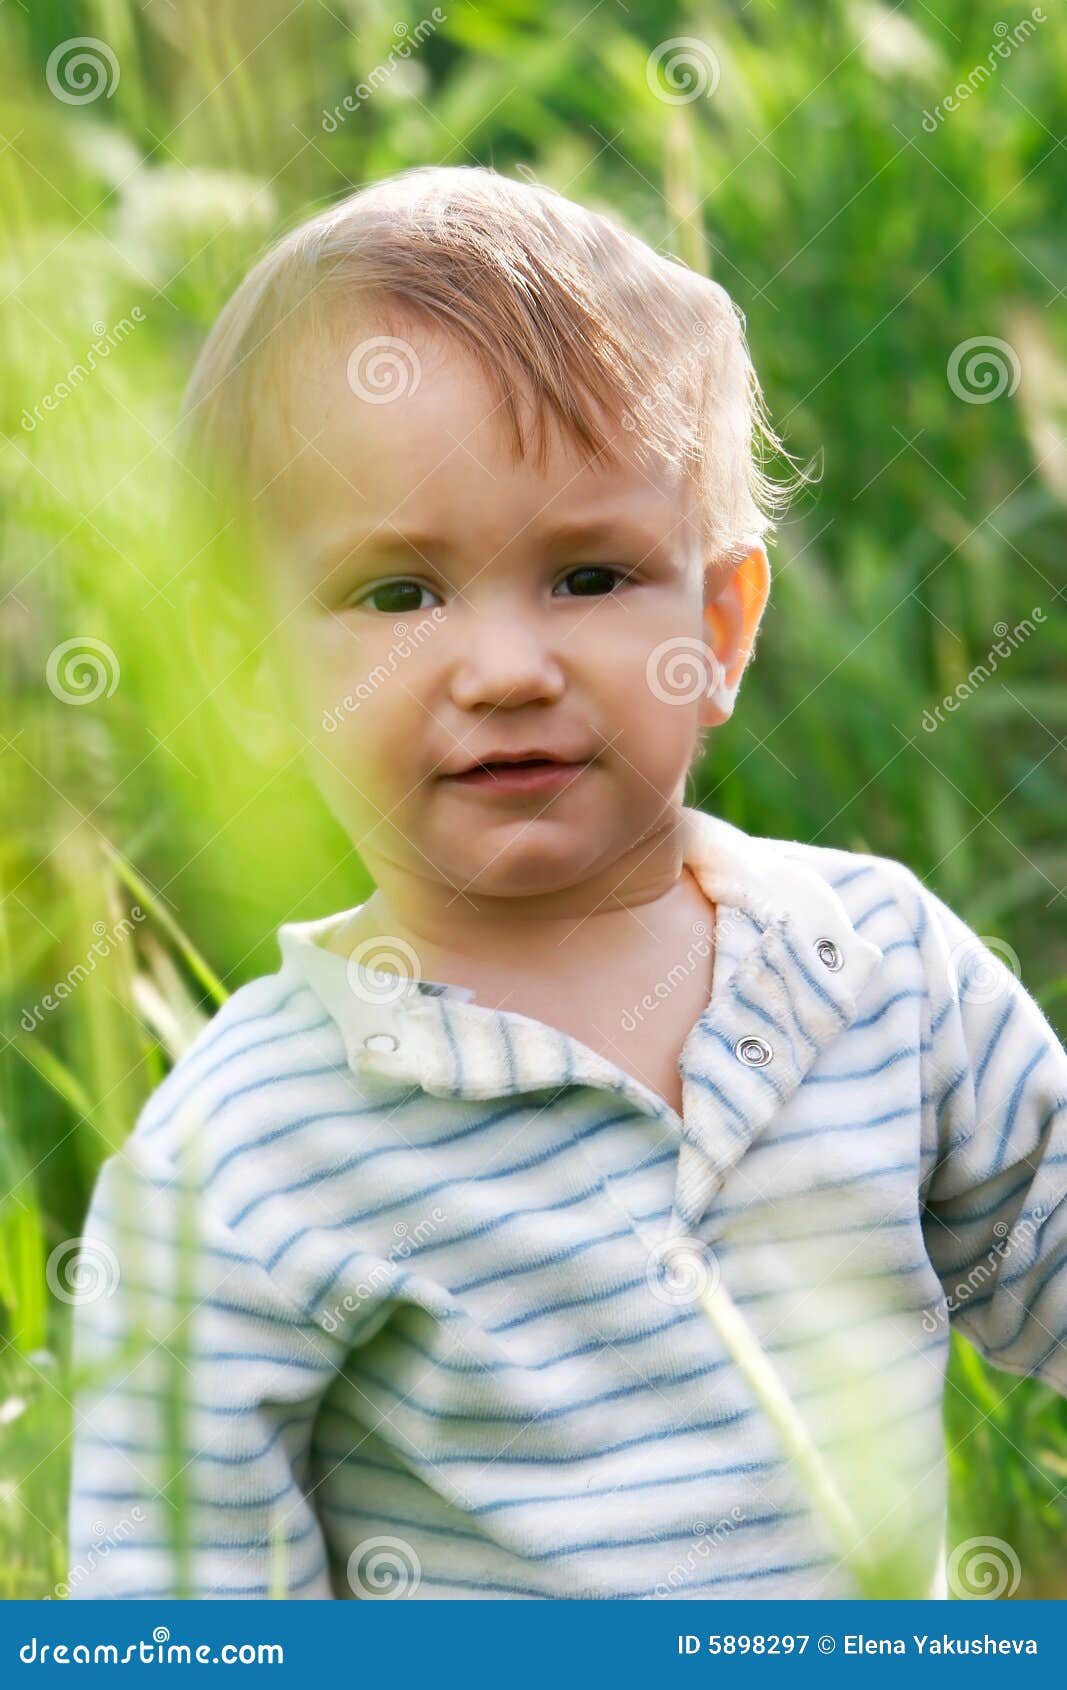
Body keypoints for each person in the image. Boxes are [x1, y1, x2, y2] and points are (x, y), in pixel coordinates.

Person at [66, 165, 1066, 1600]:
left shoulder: (880, 969)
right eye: (397, 594)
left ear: (719, 623)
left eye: (590, 576)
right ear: (247, 668)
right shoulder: (246, 1158)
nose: (509, 669)